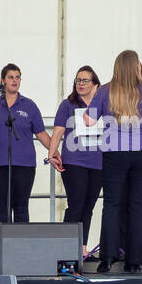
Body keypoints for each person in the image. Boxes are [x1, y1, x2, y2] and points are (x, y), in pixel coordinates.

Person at [89, 50, 142, 273]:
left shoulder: (105, 90)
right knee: (137, 205)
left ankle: (108, 259)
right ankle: (134, 261)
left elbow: (89, 119)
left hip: (115, 153)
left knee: (112, 205)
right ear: (136, 66)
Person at [0, 63, 53, 223]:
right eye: (10, 77)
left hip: (24, 164)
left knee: (21, 207)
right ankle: (4, 247)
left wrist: (54, 152)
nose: (14, 80)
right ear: (3, 81)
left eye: (17, 77)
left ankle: (21, 248)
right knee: (2, 207)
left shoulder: (29, 105)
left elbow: (41, 133)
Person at [48, 66, 104, 260]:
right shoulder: (68, 104)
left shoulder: (103, 104)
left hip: (98, 162)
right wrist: (51, 152)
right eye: (78, 80)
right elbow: (58, 131)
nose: (80, 84)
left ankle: (82, 249)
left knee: (88, 207)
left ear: (95, 84)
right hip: (74, 161)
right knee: (76, 204)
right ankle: (66, 249)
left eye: (85, 80)